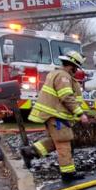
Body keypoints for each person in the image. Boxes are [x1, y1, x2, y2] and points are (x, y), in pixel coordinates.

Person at [20, 51, 89, 182]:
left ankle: (30, 152)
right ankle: (68, 175)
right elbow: (67, 97)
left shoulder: (56, 74)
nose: (76, 71)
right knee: (64, 144)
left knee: (55, 141)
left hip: (53, 115)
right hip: (57, 116)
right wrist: (80, 113)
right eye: (76, 68)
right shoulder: (64, 77)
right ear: (72, 66)